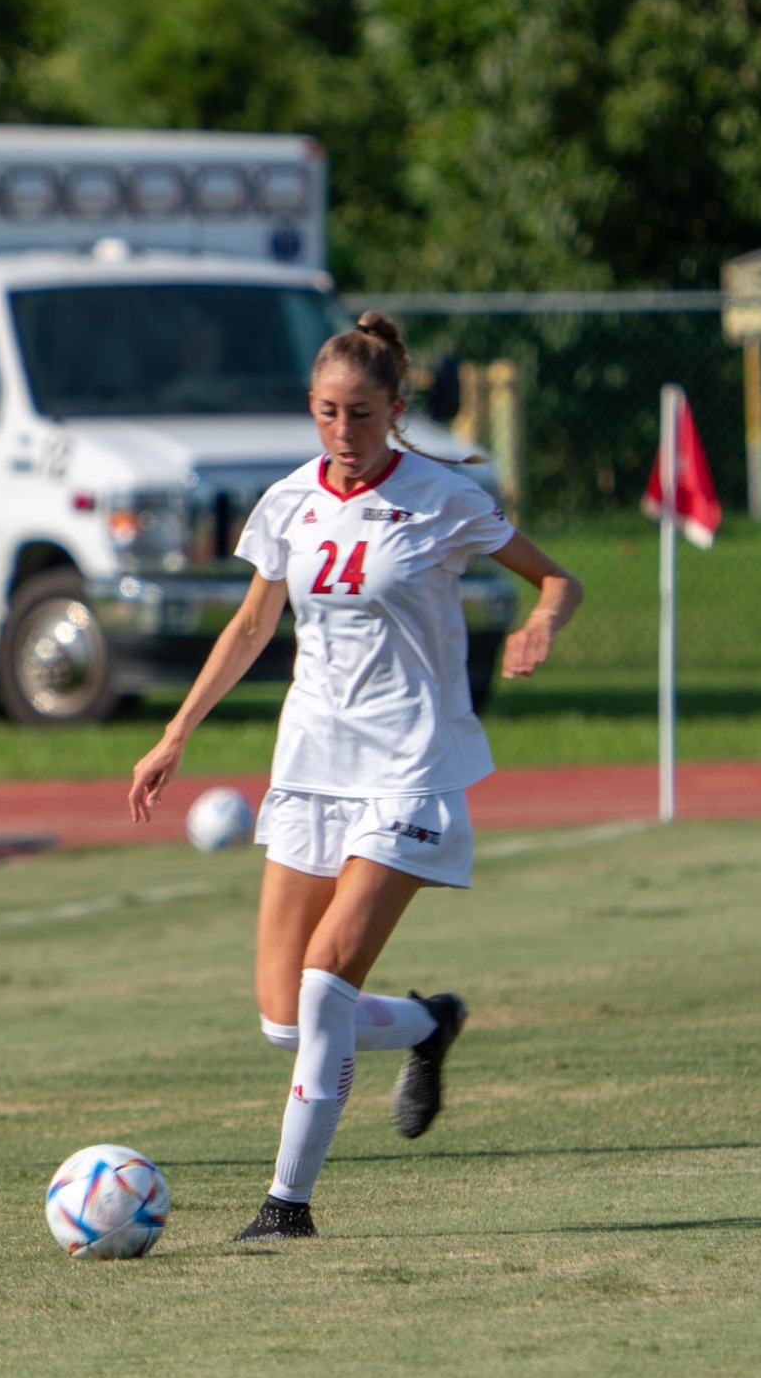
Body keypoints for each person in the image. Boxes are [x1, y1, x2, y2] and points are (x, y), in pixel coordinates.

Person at [128, 311, 583, 1240]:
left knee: (327, 981)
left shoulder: (443, 495)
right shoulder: (289, 500)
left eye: (363, 414)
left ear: (397, 409)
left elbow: (556, 578)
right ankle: (426, 1024)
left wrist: (543, 620)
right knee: (283, 1022)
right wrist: (176, 733)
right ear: (312, 409)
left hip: (410, 768)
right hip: (309, 767)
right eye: (328, 413)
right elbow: (253, 626)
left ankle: (285, 1206)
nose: (344, 432)